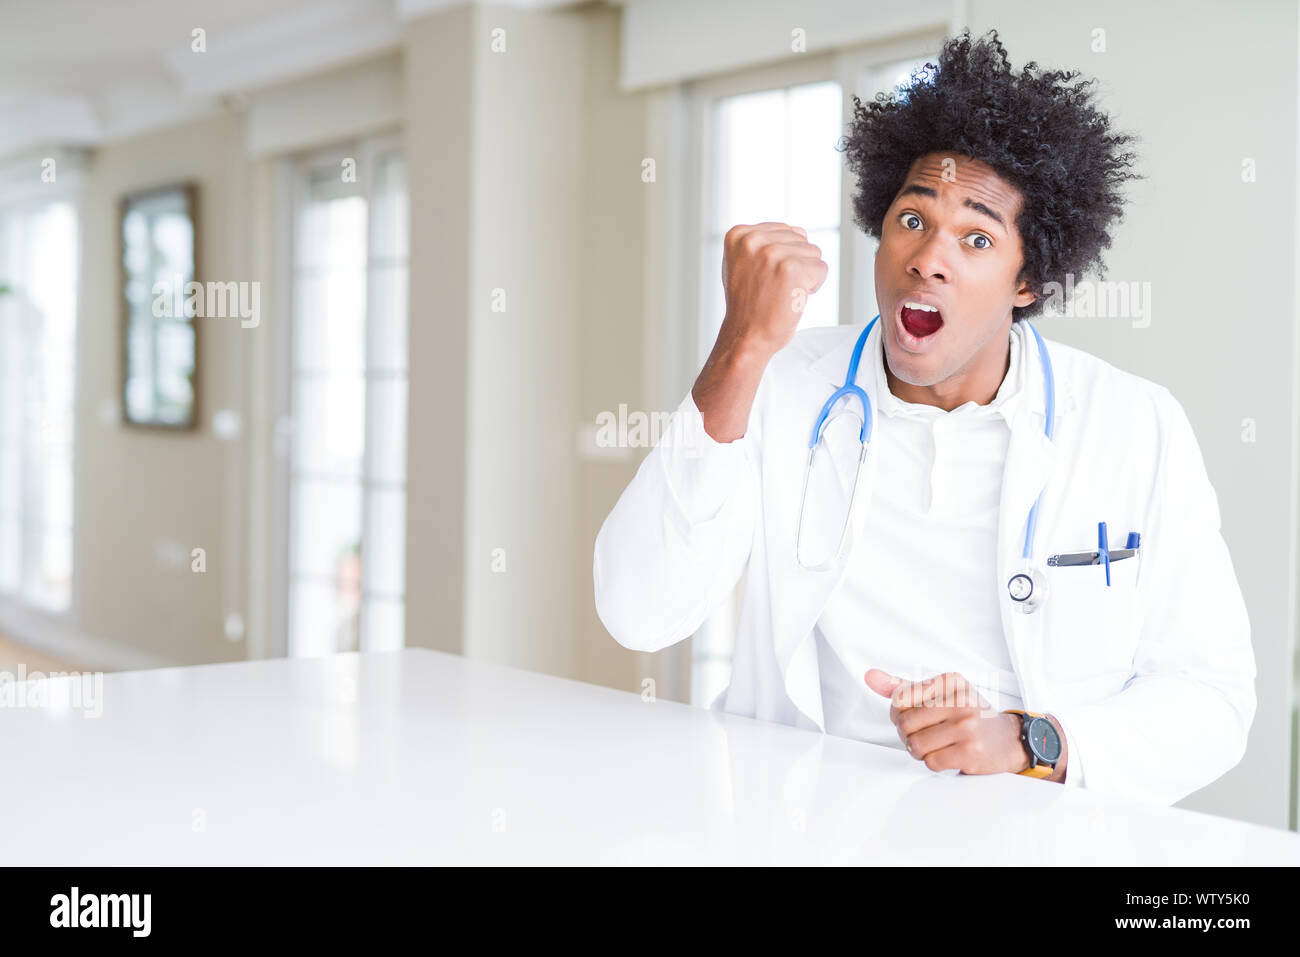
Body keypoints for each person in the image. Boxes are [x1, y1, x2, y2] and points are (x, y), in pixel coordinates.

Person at [592, 29, 1255, 807]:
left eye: (977, 236)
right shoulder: (781, 384)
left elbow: (1213, 697)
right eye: (913, 218)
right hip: (800, 824)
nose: (928, 257)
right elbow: (637, 610)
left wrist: (1028, 741)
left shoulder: (1133, 424)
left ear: (1028, 279)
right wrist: (739, 348)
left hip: (1028, 831)